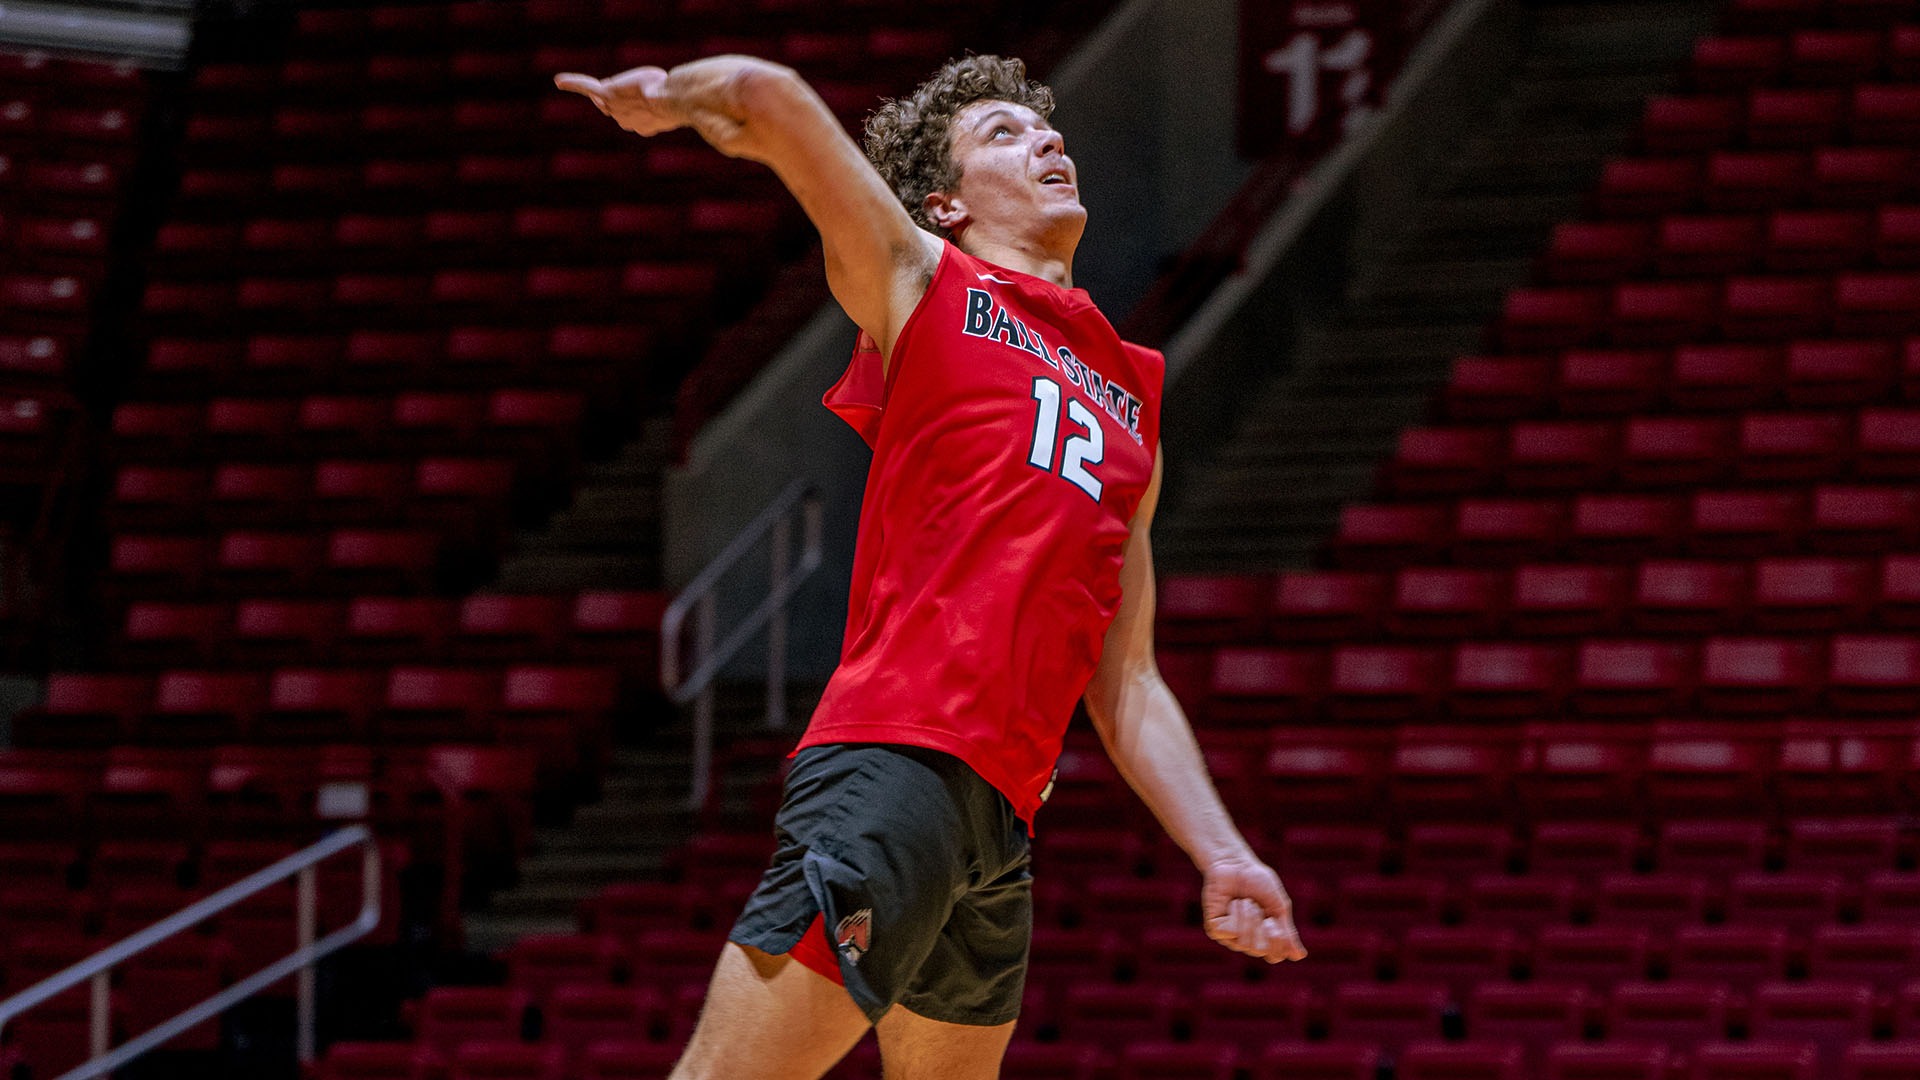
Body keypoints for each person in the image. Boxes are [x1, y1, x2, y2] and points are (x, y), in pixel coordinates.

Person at [555, 52, 1306, 1080]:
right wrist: (674, 99)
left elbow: (1125, 674)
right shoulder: (921, 279)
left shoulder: (1134, 399)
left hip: (1001, 829)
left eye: (1045, 128)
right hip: (894, 767)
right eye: (1003, 133)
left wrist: (1220, 851)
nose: (1047, 139)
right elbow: (768, 95)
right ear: (944, 203)